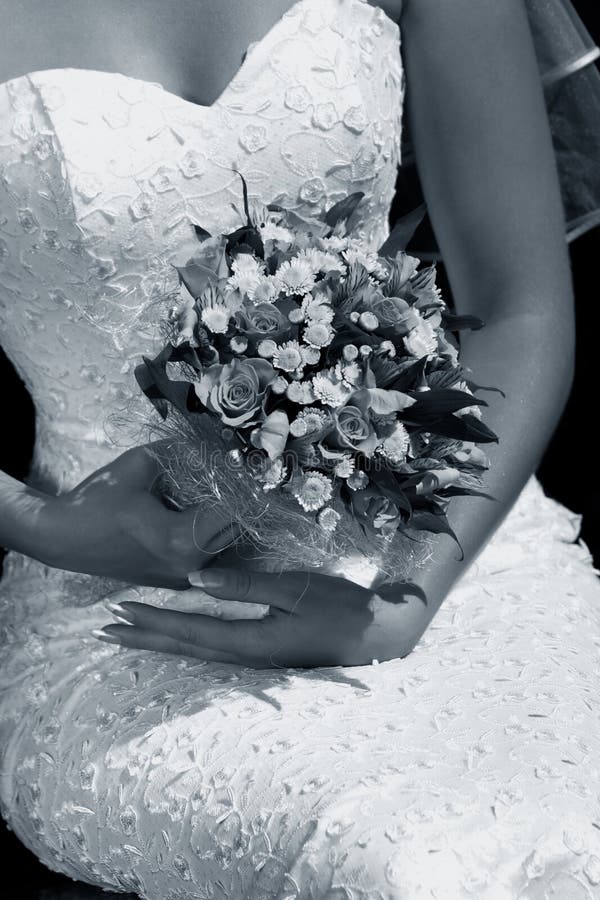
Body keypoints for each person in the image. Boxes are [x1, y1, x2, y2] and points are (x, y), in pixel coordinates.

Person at [1, 1, 600, 896]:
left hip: (456, 546)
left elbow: (519, 304)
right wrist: (44, 526)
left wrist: (407, 590)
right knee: (414, 868)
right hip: (129, 618)